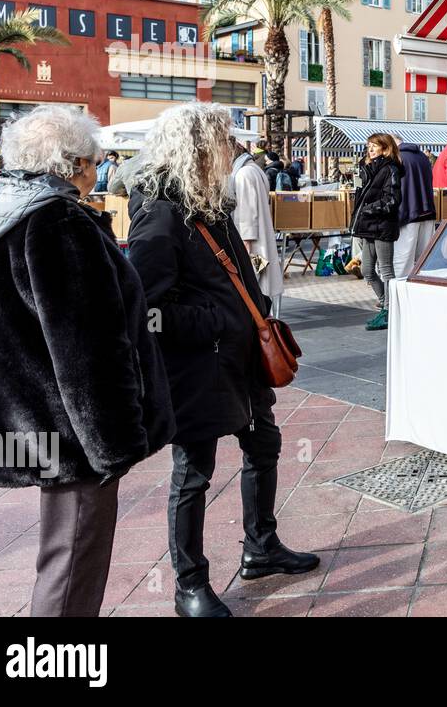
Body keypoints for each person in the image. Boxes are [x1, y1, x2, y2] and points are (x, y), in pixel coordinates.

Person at [0, 105, 175, 616]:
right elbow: (85, 345)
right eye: (94, 160)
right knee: (75, 559)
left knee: (64, 550)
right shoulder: (55, 221)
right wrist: (111, 443)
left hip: (31, 411)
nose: (97, 168)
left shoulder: (3, 209)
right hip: (75, 427)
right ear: (72, 163)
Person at [127, 103, 319, 618]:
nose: (230, 149)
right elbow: (146, 307)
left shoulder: (207, 202)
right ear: (194, 148)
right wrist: (213, 320)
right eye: (221, 140)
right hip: (198, 367)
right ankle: (189, 584)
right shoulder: (161, 212)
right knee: (194, 473)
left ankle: (262, 546)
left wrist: (251, 313)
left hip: (241, 359)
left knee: (264, 445)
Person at [352, 134, 403, 331]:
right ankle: (384, 302)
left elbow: (392, 199)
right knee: (366, 270)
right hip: (368, 226)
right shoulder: (370, 169)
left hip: (381, 225)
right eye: (368, 146)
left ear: (385, 148)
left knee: (386, 269)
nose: (370, 150)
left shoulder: (390, 169)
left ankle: (390, 311)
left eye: (374, 146)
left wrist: (368, 209)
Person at [230, 140, 283, 318]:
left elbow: (247, 210)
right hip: (259, 238)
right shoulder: (254, 169)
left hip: (251, 241)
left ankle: (257, 318)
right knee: (260, 279)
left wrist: (246, 241)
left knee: (253, 279)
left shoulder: (243, 174)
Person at [392, 137, 437, 279]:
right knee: (425, 258)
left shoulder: (397, 157)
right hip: (427, 210)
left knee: (403, 260)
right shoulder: (423, 156)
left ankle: (397, 297)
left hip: (407, 211)